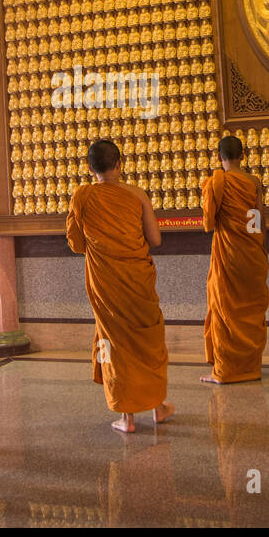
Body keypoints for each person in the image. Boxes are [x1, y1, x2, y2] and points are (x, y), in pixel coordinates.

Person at [66, 139, 174, 433]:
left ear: (90, 168)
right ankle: (157, 407)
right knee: (148, 339)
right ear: (119, 164)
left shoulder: (82, 196)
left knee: (112, 341)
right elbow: (155, 240)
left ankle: (126, 417)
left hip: (106, 284)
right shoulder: (137, 194)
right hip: (138, 279)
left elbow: (76, 244)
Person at [200, 135, 269, 384]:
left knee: (225, 309)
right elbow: (257, 219)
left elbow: (208, 223)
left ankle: (225, 370)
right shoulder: (253, 182)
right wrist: (258, 248)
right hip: (251, 253)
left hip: (228, 255)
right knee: (250, 310)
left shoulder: (215, 182)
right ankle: (250, 366)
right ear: (243, 155)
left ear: (219, 157)